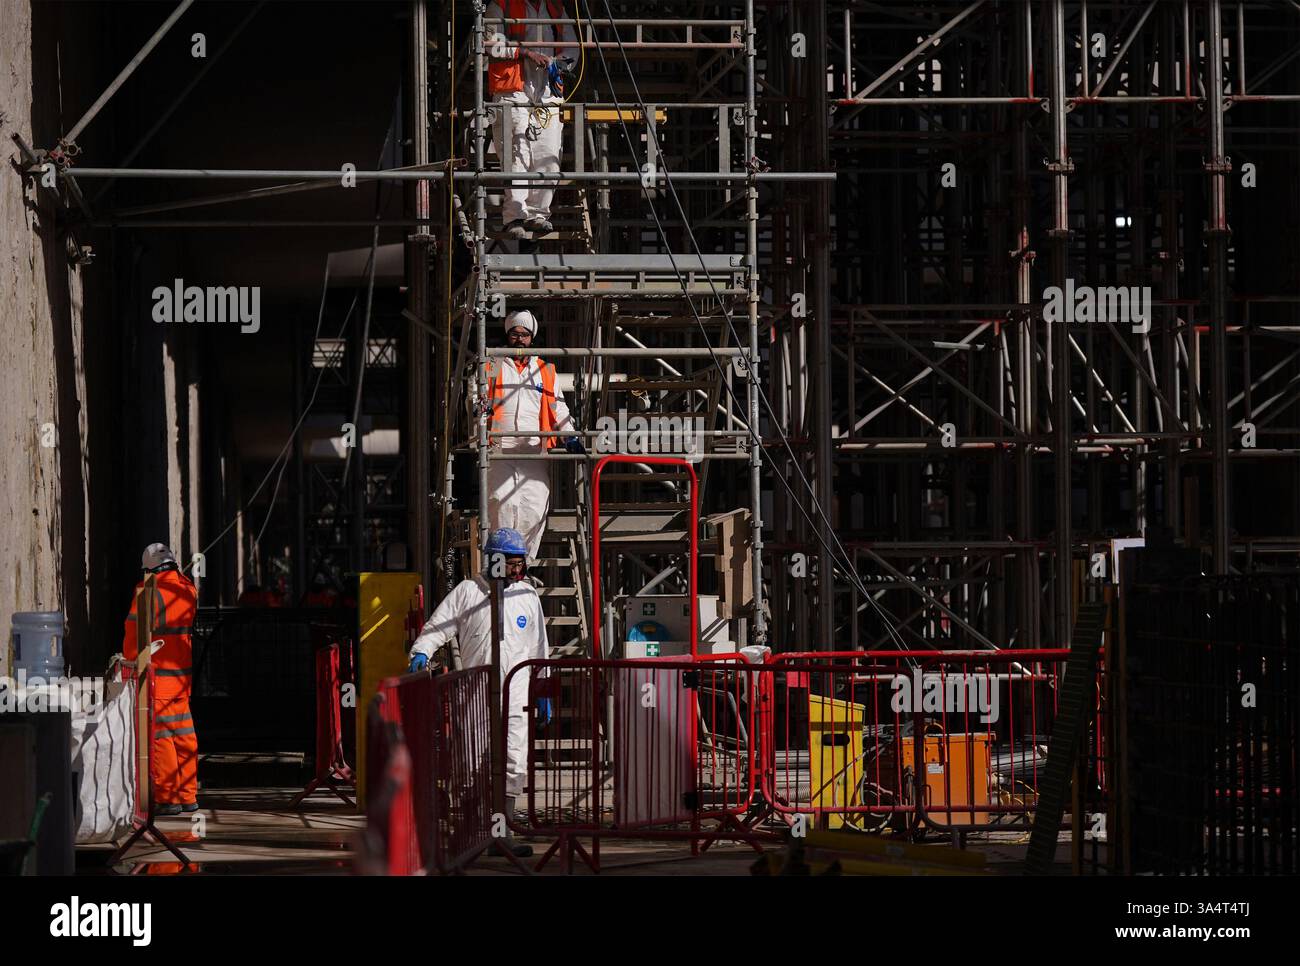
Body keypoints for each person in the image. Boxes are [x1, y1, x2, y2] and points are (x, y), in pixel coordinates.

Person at [406, 528, 547, 831]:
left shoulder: (527, 596)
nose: (517, 569)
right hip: (475, 692)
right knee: (471, 757)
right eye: (511, 562)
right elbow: (438, 626)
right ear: (495, 559)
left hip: (515, 693)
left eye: (520, 563)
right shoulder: (468, 592)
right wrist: (421, 651)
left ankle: (502, 827)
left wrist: (542, 685)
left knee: (513, 756)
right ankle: (471, 827)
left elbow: (539, 647)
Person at [481, 308, 584, 562]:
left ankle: (522, 562)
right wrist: (478, 430)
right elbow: (477, 399)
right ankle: (501, 559)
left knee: (534, 504)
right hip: (500, 446)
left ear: (532, 337)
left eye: (524, 334)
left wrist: (569, 435)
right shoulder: (493, 363)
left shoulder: (544, 369)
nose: (519, 339)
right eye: (515, 334)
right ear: (508, 335)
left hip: (533, 447)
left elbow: (558, 406)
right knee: (501, 502)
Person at [485, 0, 577, 240]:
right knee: (517, 154)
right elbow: (491, 45)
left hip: (547, 92)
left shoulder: (557, 8)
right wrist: (526, 52)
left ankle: (537, 214)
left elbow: (573, 50)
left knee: (549, 155)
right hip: (512, 90)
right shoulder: (500, 5)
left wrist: (558, 63)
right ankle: (514, 216)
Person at [121, 543, 199, 816]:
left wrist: (128, 665)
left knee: (162, 738)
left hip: (159, 680)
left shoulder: (148, 593)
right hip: (182, 679)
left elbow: (134, 638)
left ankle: (168, 798)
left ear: (148, 570)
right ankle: (188, 796)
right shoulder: (188, 589)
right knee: (184, 737)